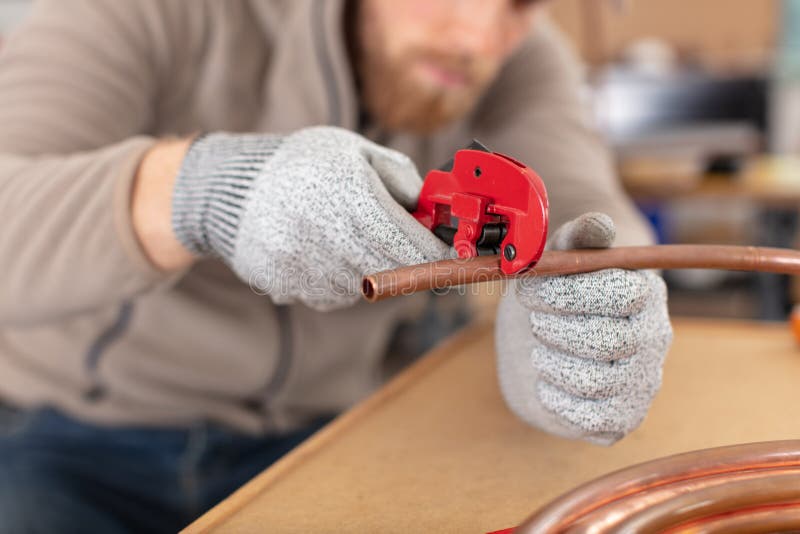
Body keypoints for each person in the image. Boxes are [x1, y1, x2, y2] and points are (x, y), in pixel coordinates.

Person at [0, 0, 672, 532]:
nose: (476, 35)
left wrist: (595, 317)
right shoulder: (138, 10)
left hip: (324, 431)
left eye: (522, 2)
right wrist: (204, 189)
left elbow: (592, 220)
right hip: (70, 438)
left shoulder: (522, 58)